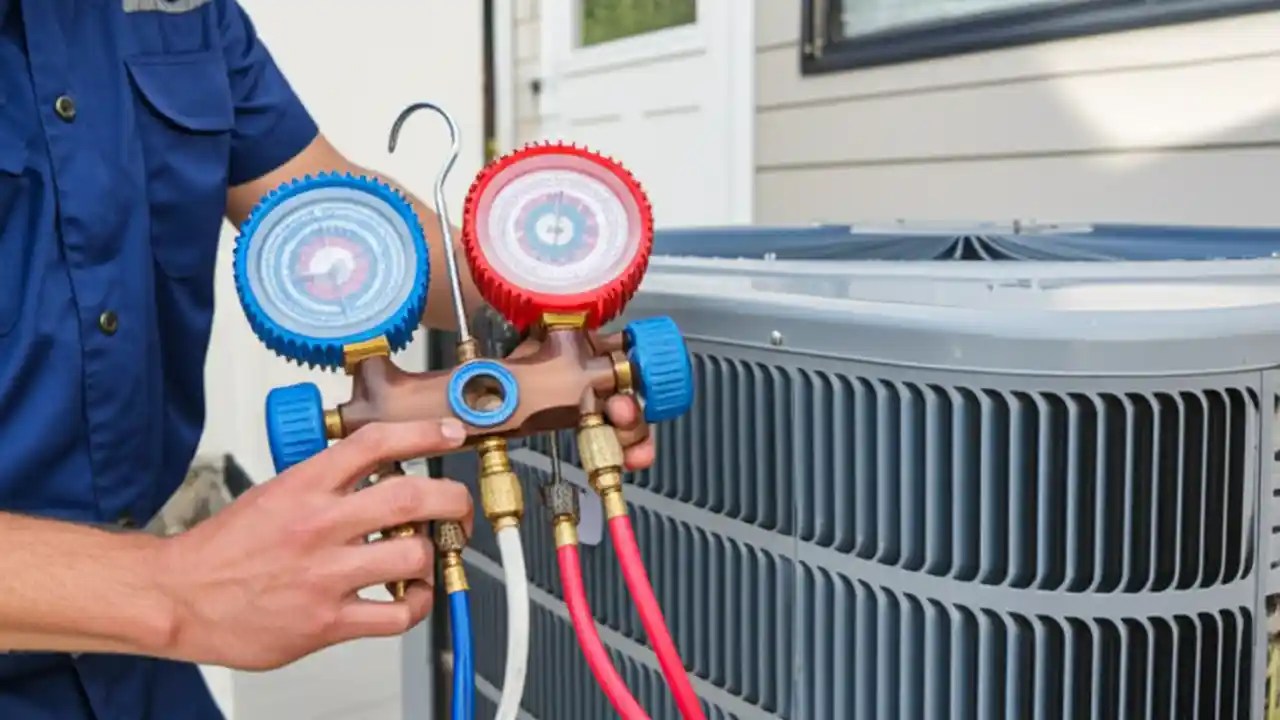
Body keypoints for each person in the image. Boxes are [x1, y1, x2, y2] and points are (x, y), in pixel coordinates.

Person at [0, 1, 656, 718]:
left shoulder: (181, 13)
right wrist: (176, 590)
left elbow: (338, 217)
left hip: (134, 675)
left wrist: (541, 294)